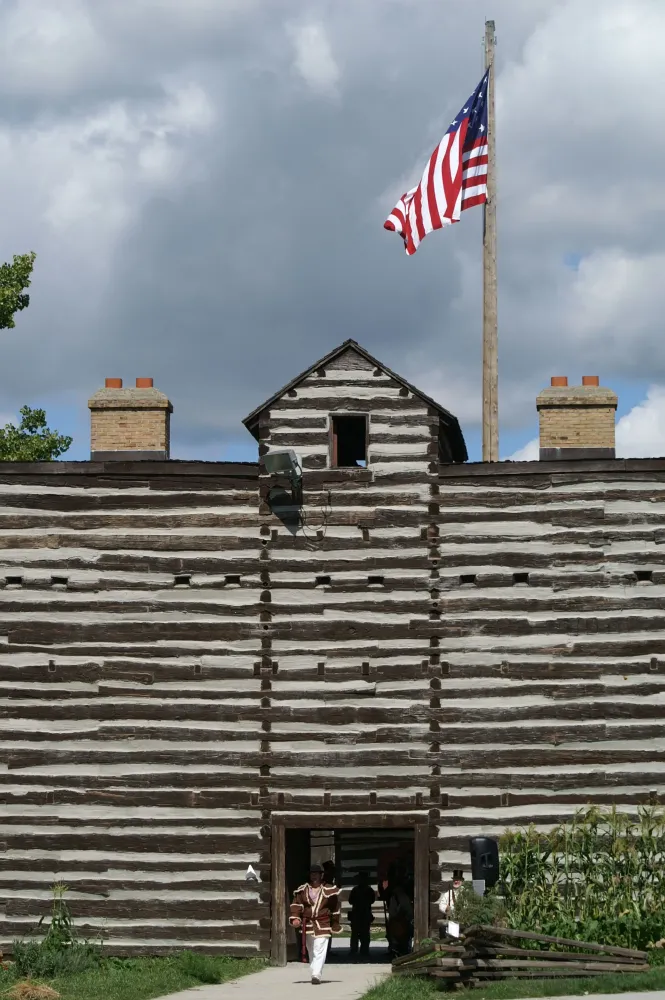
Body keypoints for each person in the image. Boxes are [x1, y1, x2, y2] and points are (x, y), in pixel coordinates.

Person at [290, 863, 341, 985]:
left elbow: (335, 908)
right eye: (312, 874)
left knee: (319, 948)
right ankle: (314, 971)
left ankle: (316, 974)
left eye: (316, 874)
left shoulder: (329, 889)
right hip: (307, 925)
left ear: (321, 875)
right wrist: (295, 918)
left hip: (323, 923)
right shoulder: (302, 890)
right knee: (311, 949)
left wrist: (335, 923)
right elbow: (296, 905)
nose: (314, 876)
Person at [348, 870, 376, 960]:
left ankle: (359, 950)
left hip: (361, 913)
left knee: (360, 933)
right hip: (360, 913)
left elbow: (351, 901)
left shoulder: (360, 890)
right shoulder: (367, 890)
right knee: (359, 933)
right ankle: (361, 950)